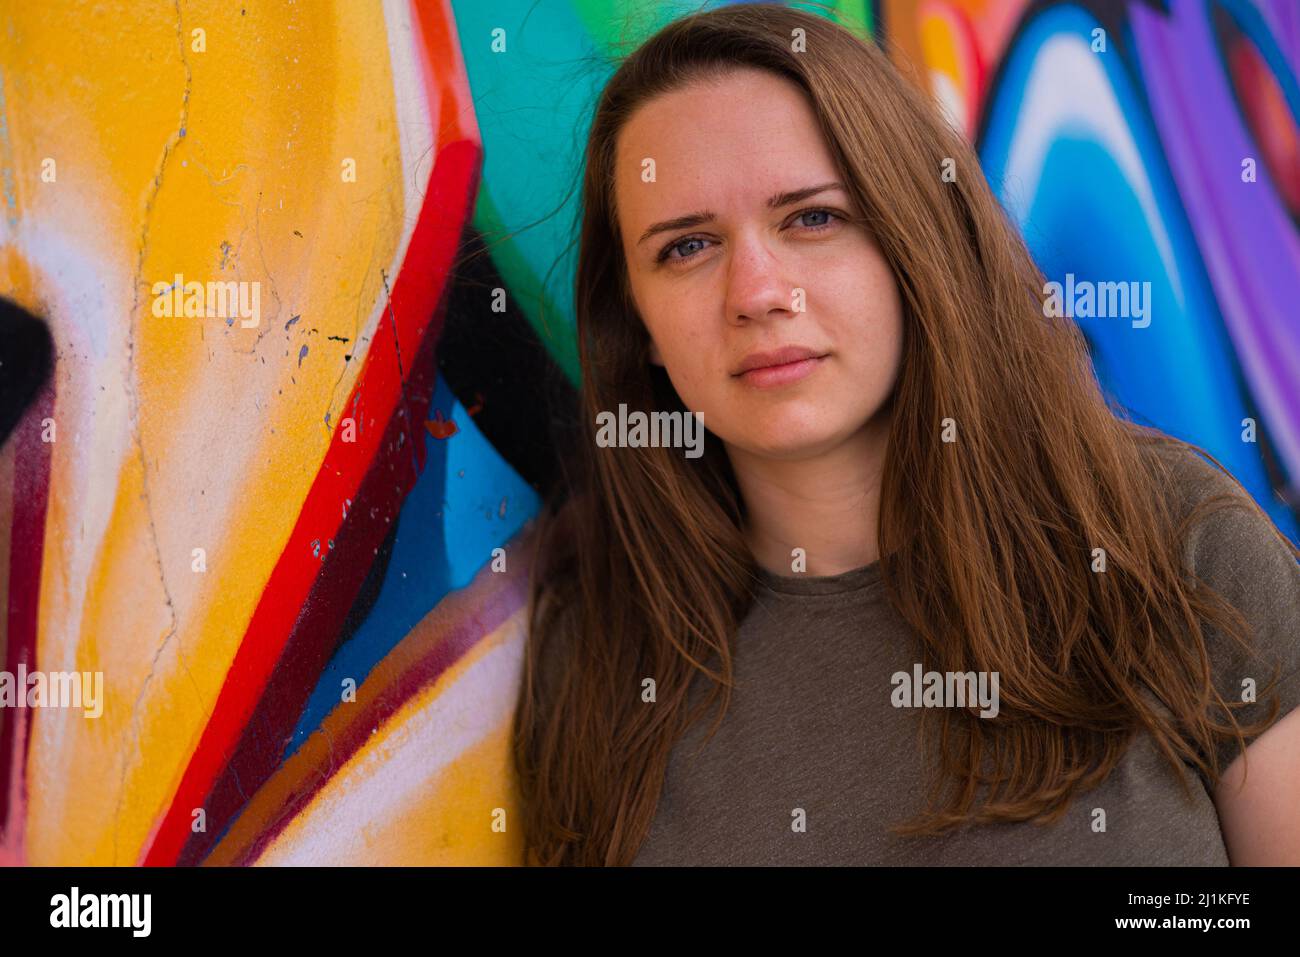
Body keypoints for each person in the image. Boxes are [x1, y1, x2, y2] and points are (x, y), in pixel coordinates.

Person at [510, 3, 1300, 866]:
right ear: (642, 327)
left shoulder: (1173, 544)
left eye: (812, 218)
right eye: (688, 245)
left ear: (912, 241)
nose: (757, 292)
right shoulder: (594, 658)